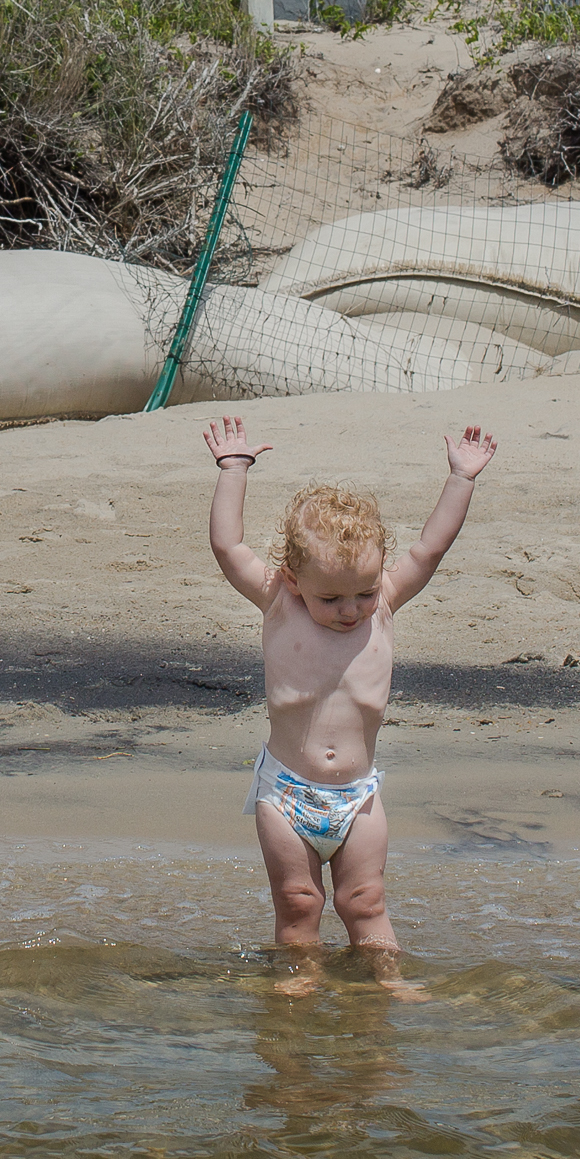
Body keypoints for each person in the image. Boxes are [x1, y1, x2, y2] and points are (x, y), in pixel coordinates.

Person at [201, 413, 497, 995]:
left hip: (358, 796)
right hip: (285, 792)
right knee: (298, 901)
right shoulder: (278, 603)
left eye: (362, 592)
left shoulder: (383, 601)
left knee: (365, 900)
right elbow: (226, 544)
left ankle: (386, 980)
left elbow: (430, 549)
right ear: (293, 580)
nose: (349, 610)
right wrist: (233, 469)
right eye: (331, 597)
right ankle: (301, 977)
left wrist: (461, 478)